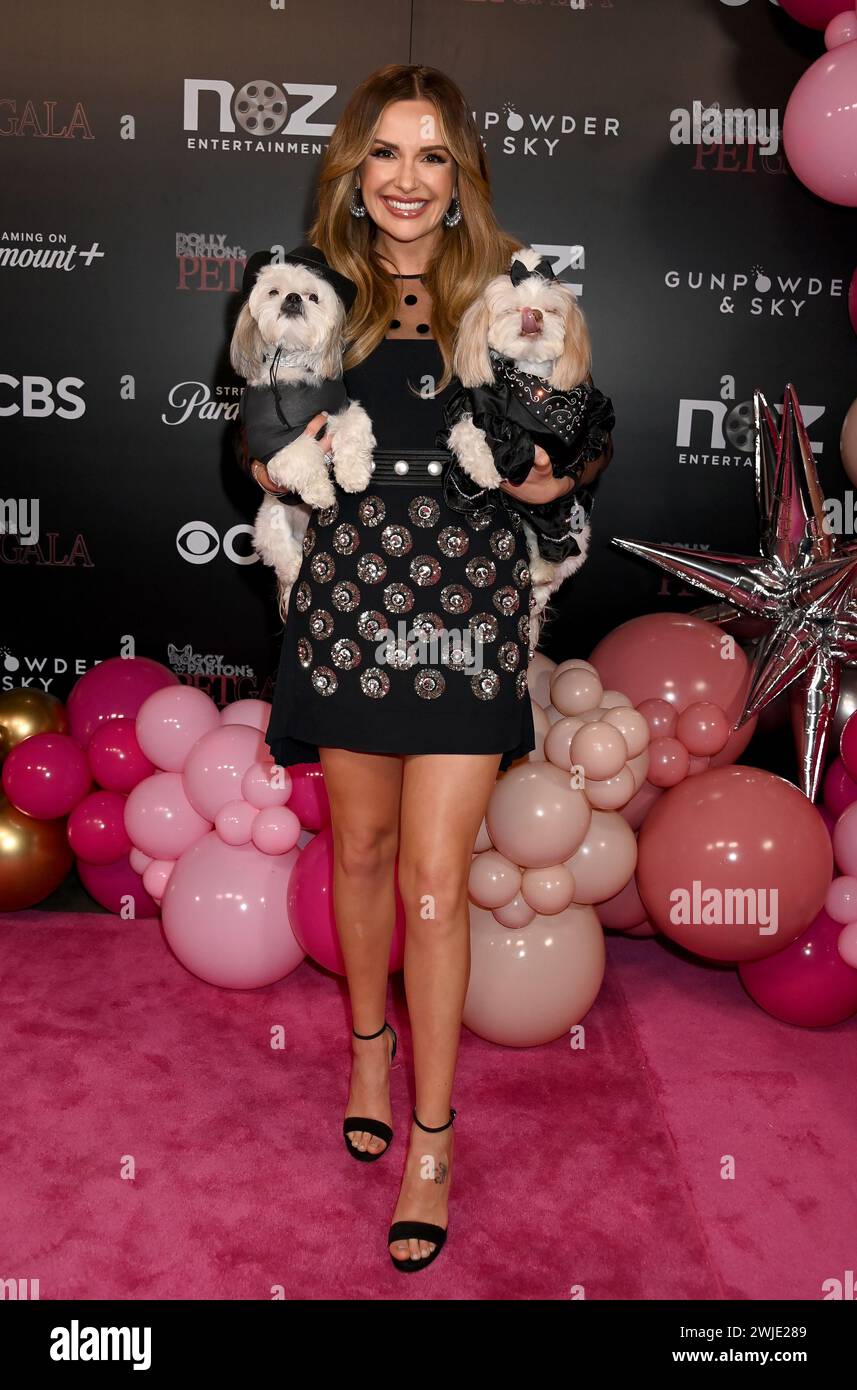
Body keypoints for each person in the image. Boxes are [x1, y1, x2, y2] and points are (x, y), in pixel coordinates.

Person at [238, 63, 613, 1273]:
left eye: (432, 156)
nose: (406, 179)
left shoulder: (505, 298)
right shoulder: (307, 293)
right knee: (358, 850)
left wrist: (539, 477)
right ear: (354, 169)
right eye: (385, 155)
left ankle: (434, 1142)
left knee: (439, 882)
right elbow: (262, 453)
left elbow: (562, 461)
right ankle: (364, 1046)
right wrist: (278, 459)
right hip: (347, 596)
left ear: (460, 180)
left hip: (462, 605)